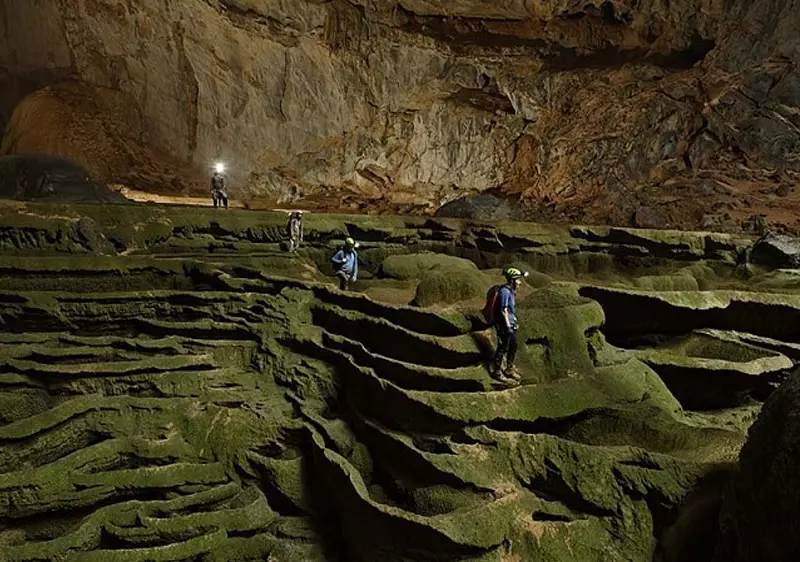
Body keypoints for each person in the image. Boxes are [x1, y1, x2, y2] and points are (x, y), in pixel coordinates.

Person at [491, 267, 528, 383]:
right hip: (504, 325)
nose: (520, 282)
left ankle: (509, 369)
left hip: (511, 324)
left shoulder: (511, 291)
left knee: (514, 345)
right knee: (503, 348)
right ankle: (496, 372)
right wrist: (507, 326)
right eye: (518, 280)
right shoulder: (505, 292)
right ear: (512, 280)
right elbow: (503, 310)